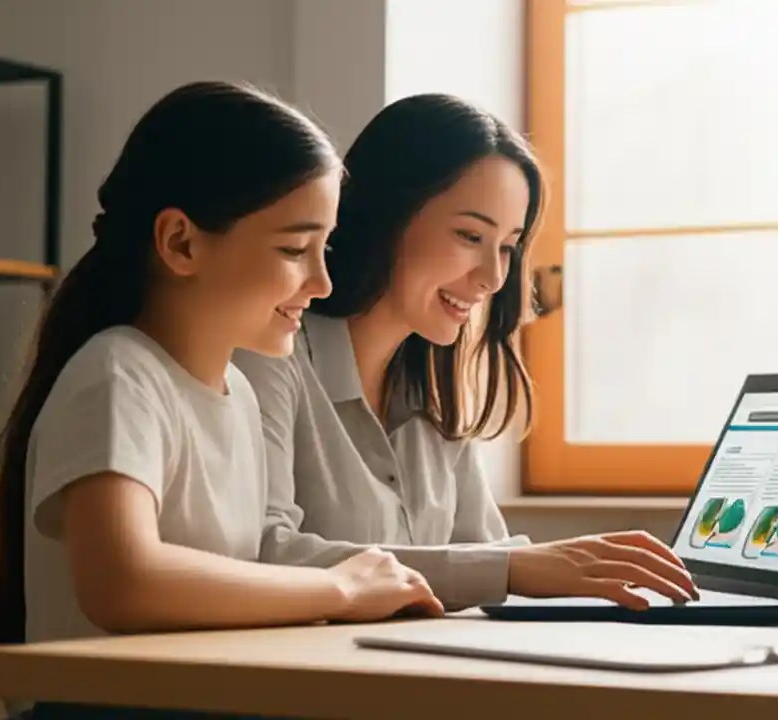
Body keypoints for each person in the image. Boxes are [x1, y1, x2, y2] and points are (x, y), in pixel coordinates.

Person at [0, 82, 446, 718]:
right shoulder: (118, 375)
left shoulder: (239, 395)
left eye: (323, 248)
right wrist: (335, 587)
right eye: (292, 249)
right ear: (181, 243)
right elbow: (122, 583)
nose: (322, 281)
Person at [234, 93, 697, 612]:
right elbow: (263, 554)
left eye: (507, 246)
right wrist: (514, 567)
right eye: (470, 235)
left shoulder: (432, 394)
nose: (494, 277)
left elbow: (487, 563)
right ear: (388, 215)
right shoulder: (268, 356)